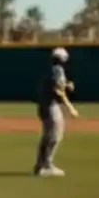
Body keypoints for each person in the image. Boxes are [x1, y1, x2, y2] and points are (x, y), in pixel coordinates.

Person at [33, 47, 78, 177]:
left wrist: (67, 85)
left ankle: (40, 165)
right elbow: (58, 91)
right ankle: (47, 165)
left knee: (47, 136)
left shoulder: (51, 70)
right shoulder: (58, 70)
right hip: (51, 106)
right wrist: (70, 108)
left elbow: (56, 86)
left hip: (44, 105)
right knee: (55, 136)